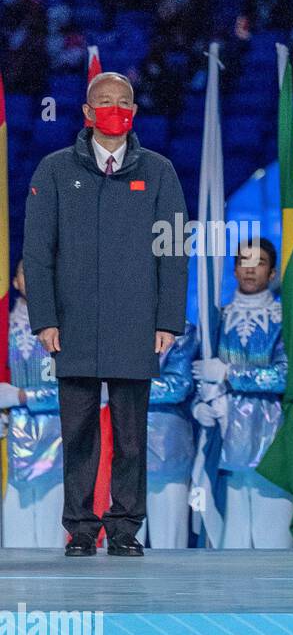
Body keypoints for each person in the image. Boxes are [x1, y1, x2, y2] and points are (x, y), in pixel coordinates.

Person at [22, 70, 188, 556]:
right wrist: (45, 318)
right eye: (105, 101)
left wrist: (167, 320)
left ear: (133, 112)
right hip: (72, 325)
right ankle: (79, 528)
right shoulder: (54, 170)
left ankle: (124, 529)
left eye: (124, 101)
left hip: (137, 323)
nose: (115, 108)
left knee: (132, 437)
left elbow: (174, 250)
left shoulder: (159, 171)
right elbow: (37, 251)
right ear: (88, 113)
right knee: (76, 433)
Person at [192, 238, 293, 549]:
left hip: (273, 441)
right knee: (228, 538)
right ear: (234, 270)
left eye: (259, 262)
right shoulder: (214, 320)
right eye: (244, 262)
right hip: (223, 442)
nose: (250, 269)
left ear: (272, 273)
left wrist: (229, 373)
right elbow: (197, 371)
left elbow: (284, 377)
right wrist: (200, 407)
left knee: (272, 540)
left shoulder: (285, 320)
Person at [0, 259, 64, 547]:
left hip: (56, 440)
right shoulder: (5, 329)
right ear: (14, 282)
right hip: (12, 439)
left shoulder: (65, 329)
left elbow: (74, 390)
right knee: (17, 530)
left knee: (52, 530)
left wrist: (24, 397)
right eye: (26, 274)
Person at [140, 322, 198, 548]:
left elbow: (177, 385)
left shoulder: (180, 329)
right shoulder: (113, 324)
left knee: (169, 543)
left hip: (166, 448)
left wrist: (122, 385)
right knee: (119, 542)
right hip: (118, 448)